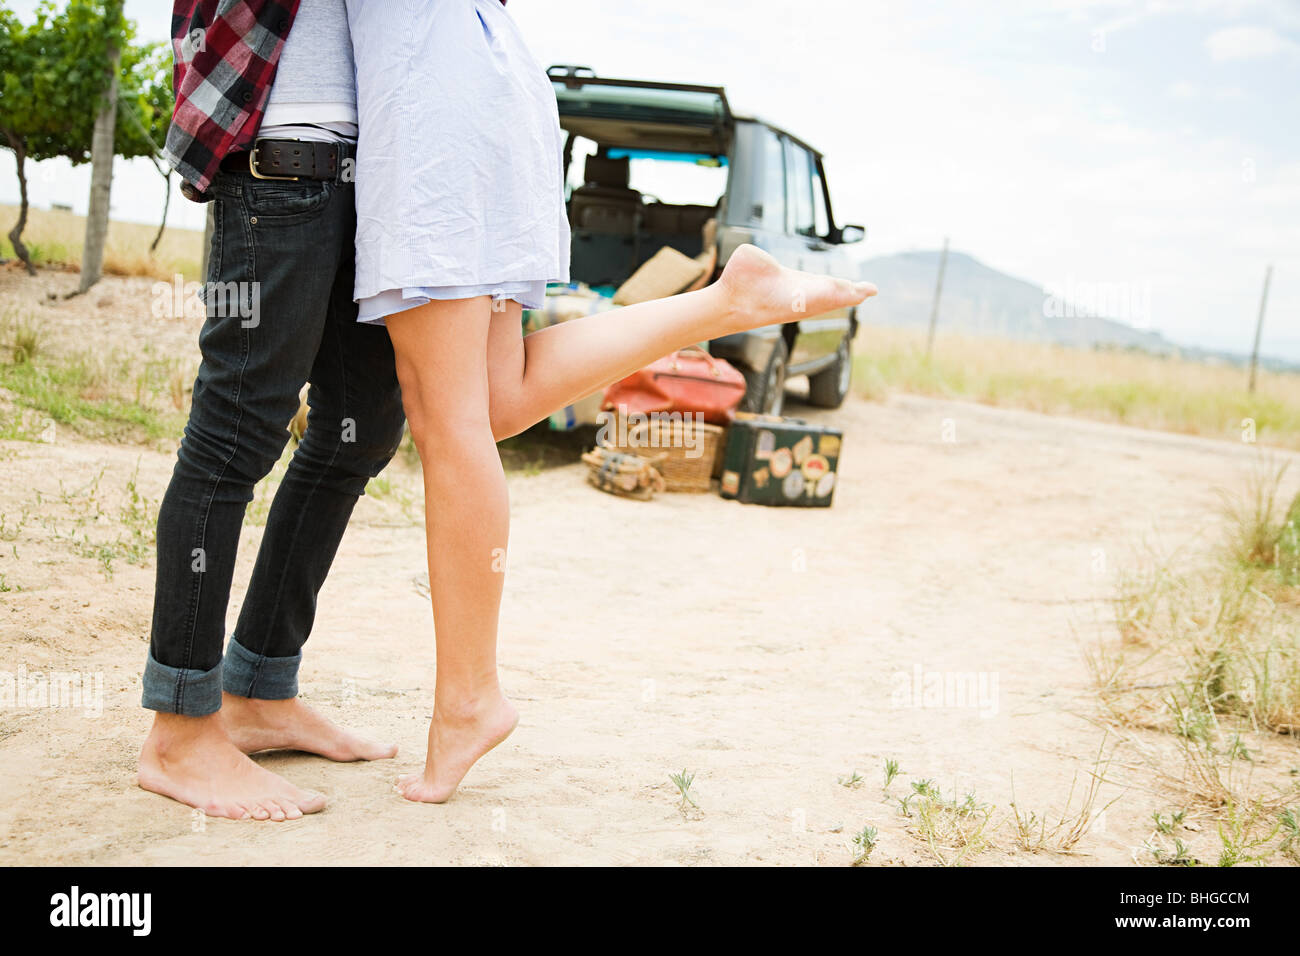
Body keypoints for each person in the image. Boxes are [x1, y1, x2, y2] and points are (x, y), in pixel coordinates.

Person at [345, 0, 877, 803]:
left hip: (428, 104)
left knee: (448, 421)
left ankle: (468, 700)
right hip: (499, 88)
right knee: (494, 401)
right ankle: (725, 302)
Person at [138, 0, 405, 821]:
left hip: (375, 174)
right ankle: (180, 727)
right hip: (277, 163)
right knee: (234, 434)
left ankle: (258, 687)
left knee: (360, 429)